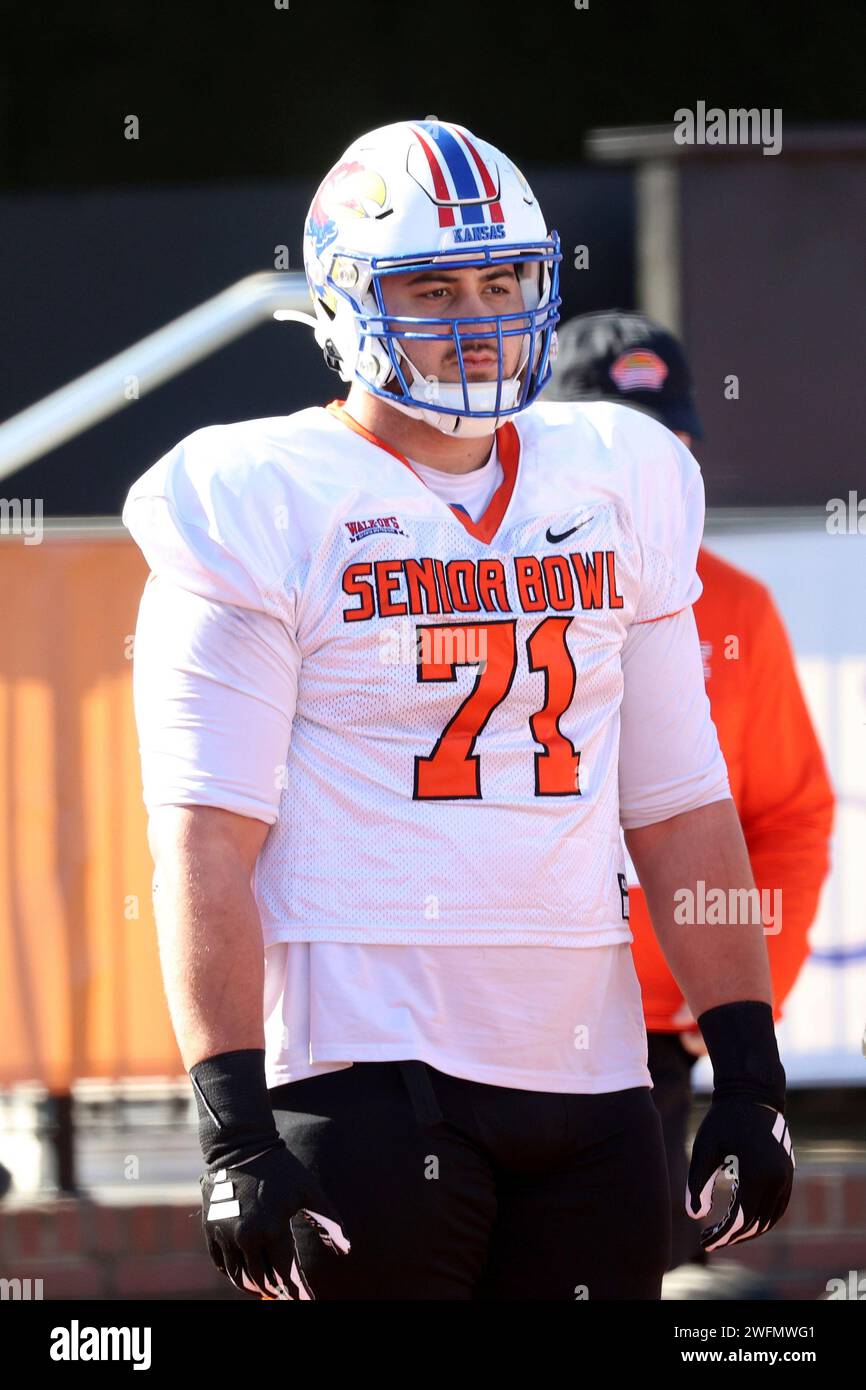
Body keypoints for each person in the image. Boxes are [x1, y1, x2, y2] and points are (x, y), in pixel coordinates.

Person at [123, 120, 794, 1302]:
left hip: (591, 1078)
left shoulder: (614, 475)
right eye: (428, 286)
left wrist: (747, 1069)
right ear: (341, 303)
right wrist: (232, 1128)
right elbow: (203, 840)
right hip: (366, 1070)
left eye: (503, 281)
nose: (475, 316)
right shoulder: (261, 499)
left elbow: (683, 806)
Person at [546, 310, 834, 1280]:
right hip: (477, 1026)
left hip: (650, 1048)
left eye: (662, 442)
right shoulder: (473, 588)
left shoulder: (736, 608)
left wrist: (729, 1001)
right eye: (612, 441)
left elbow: (790, 817)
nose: (640, 469)